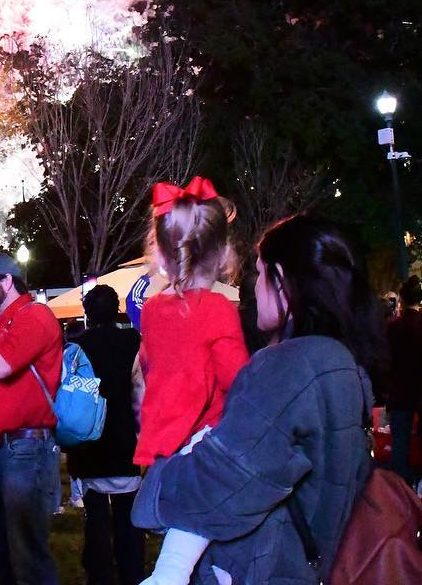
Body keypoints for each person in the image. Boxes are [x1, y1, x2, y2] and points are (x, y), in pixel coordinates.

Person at [133, 214, 382, 584]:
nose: (254, 288)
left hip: (268, 565)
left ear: (282, 279)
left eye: (261, 274)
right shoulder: (340, 359)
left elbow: (221, 482)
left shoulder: (290, 368)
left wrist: (158, 479)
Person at [132, 177, 249, 585]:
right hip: (208, 445)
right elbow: (239, 383)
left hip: (165, 447)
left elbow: (151, 368)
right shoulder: (218, 309)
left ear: (161, 252)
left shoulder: (152, 311)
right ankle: (169, 574)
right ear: (223, 252)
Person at [0, 251, 65, 585]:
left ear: (6, 281)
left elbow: (0, 365)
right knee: (1, 556)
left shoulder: (35, 317)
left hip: (27, 450)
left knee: (29, 560)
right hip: (0, 452)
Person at [66, 284, 145, 585]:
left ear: (87, 312)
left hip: (91, 438)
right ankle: (132, 573)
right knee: (128, 517)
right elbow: (140, 388)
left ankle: (99, 575)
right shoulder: (132, 341)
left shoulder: (78, 347)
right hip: (125, 435)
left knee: (96, 517)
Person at [385, 275, 422, 491]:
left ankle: (401, 490)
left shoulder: (392, 328)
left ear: (400, 299)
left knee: (400, 443)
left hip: (400, 392)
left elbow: (385, 361)